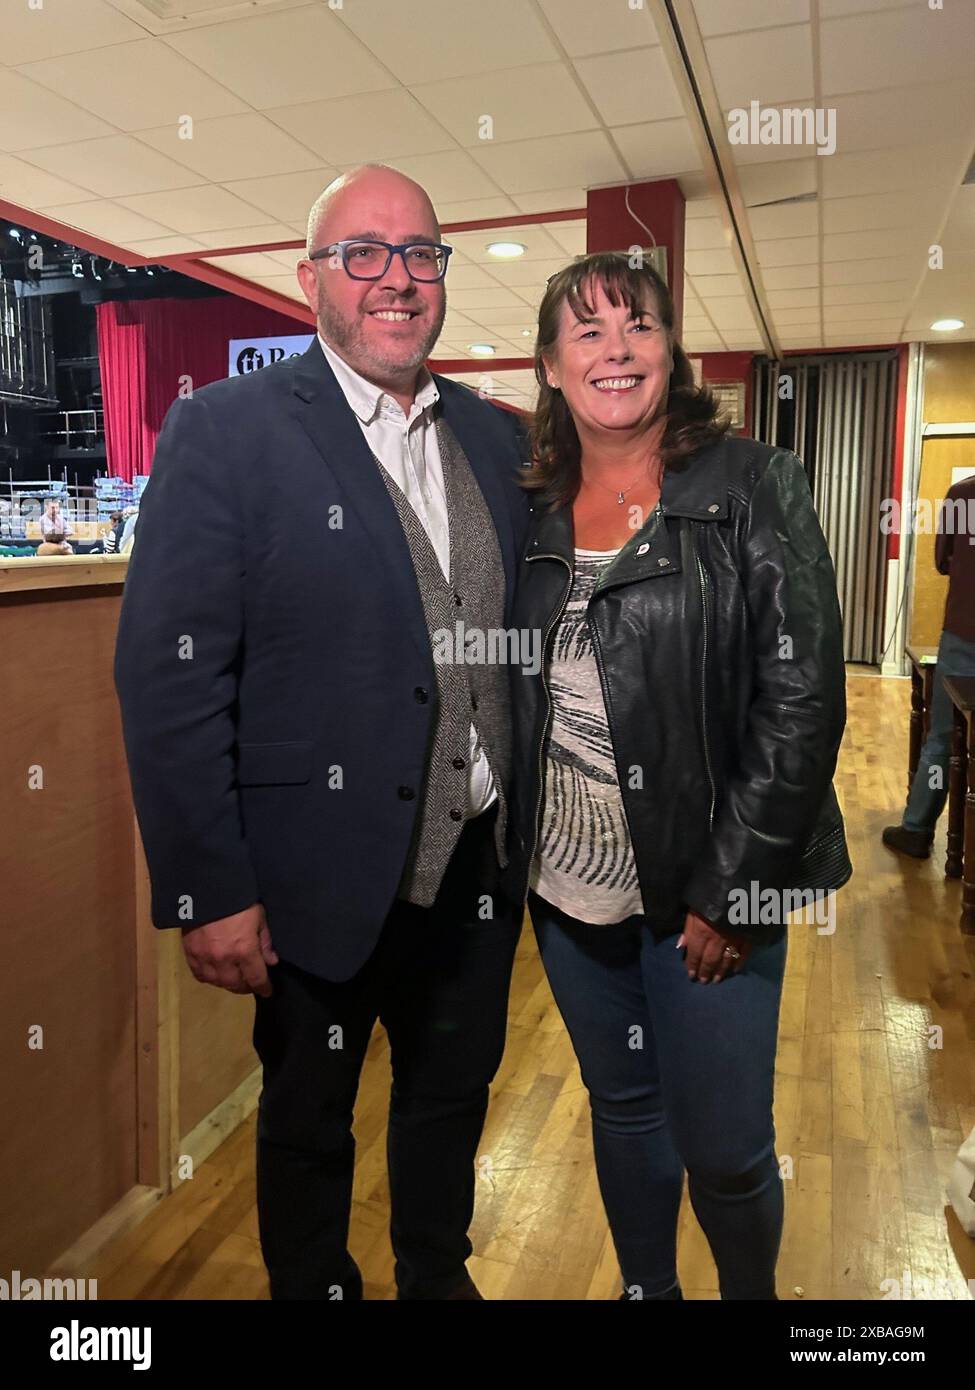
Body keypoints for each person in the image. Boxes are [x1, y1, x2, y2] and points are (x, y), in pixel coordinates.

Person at [114, 164, 530, 1301]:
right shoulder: (225, 430)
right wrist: (206, 886)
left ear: (444, 276)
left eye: (420, 254)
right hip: (312, 884)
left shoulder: (500, 443)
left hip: (477, 867)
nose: (397, 278)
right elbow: (168, 675)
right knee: (309, 1127)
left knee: (449, 1101)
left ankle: (437, 1278)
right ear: (311, 281)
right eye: (365, 252)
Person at [505, 251, 851, 1301]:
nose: (616, 349)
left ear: (671, 351)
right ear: (553, 368)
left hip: (713, 893)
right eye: (588, 332)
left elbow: (802, 705)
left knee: (728, 1146)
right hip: (571, 894)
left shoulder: (752, 484)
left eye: (638, 325)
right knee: (625, 1109)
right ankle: (647, 1290)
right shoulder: (532, 513)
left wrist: (731, 889)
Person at [883, 473, 975, 857]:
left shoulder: (963, 493)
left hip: (964, 633)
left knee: (942, 738)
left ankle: (917, 829)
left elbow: (942, 561)